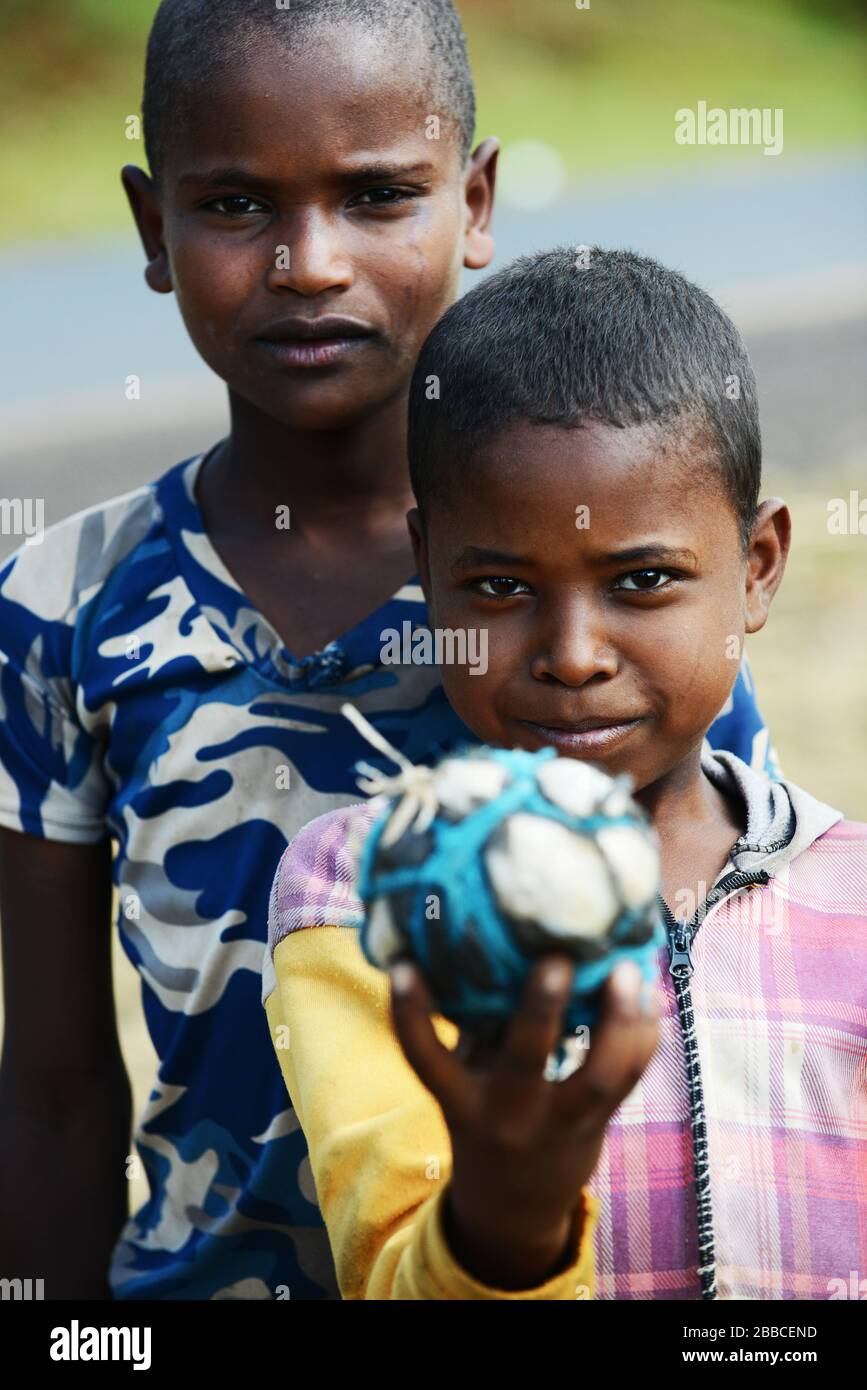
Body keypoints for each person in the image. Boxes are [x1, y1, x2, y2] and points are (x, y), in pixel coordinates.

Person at [0, 1, 769, 1301]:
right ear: (152, 226)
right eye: (236, 205)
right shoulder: (64, 603)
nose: (306, 263)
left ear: (472, 203)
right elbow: (58, 1092)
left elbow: (706, 1025)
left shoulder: (606, 617)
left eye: (374, 196)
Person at [264, 247, 867, 1300]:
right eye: (497, 585)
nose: (574, 653)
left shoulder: (851, 895)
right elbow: (388, 1276)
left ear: (759, 566)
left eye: (642, 580)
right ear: (427, 569)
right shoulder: (373, 895)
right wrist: (507, 1212)